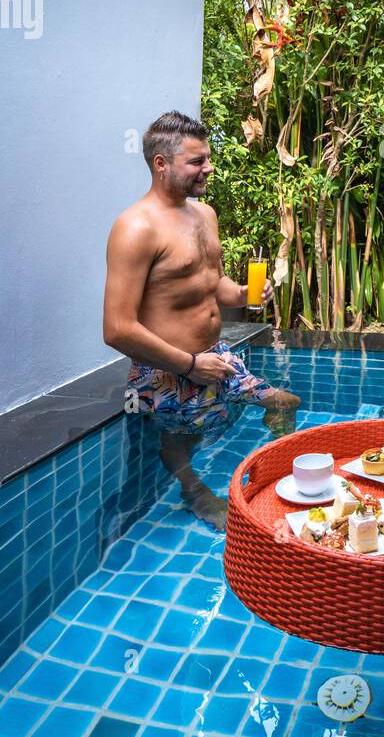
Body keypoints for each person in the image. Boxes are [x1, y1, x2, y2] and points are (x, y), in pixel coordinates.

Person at [103, 110, 300, 530]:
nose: (208, 168)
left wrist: (246, 295)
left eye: (207, 158)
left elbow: (216, 285)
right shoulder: (135, 228)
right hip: (167, 371)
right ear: (161, 163)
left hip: (216, 356)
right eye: (197, 161)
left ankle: (279, 475)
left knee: (285, 402)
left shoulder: (204, 215)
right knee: (181, 438)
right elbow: (117, 328)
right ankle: (193, 491)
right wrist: (190, 365)